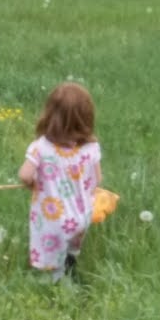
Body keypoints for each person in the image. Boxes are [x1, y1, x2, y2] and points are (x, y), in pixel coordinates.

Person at [19, 82, 102, 281]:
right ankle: (71, 262)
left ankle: (56, 283)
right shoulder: (91, 148)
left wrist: (32, 183)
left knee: (52, 257)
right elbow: (97, 179)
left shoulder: (41, 147)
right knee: (72, 244)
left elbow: (24, 175)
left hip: (54, 218)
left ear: (50, 115)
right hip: (82, 215)